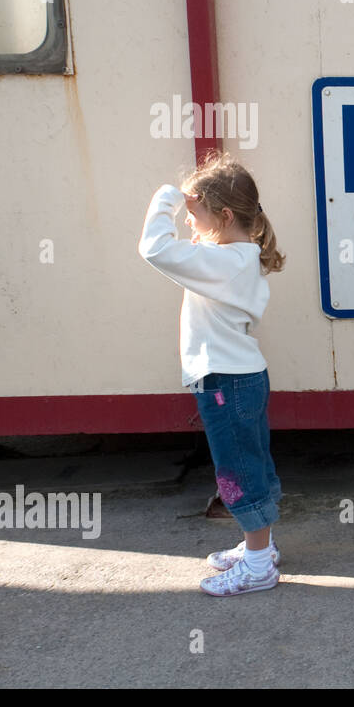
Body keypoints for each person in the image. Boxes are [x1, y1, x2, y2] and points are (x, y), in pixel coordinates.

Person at [137, 150, 287, 596]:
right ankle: (260, 547)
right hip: (240, 379)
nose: (186, 220)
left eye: (193, 211)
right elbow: (192, 246)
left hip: (225, 382)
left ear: (223, 216)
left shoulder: (223, 264)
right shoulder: (235, 256)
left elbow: (155, 249)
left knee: (237, 471)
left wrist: (166, 195)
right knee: (252, 462)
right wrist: (197, 205)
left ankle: (259, 565)